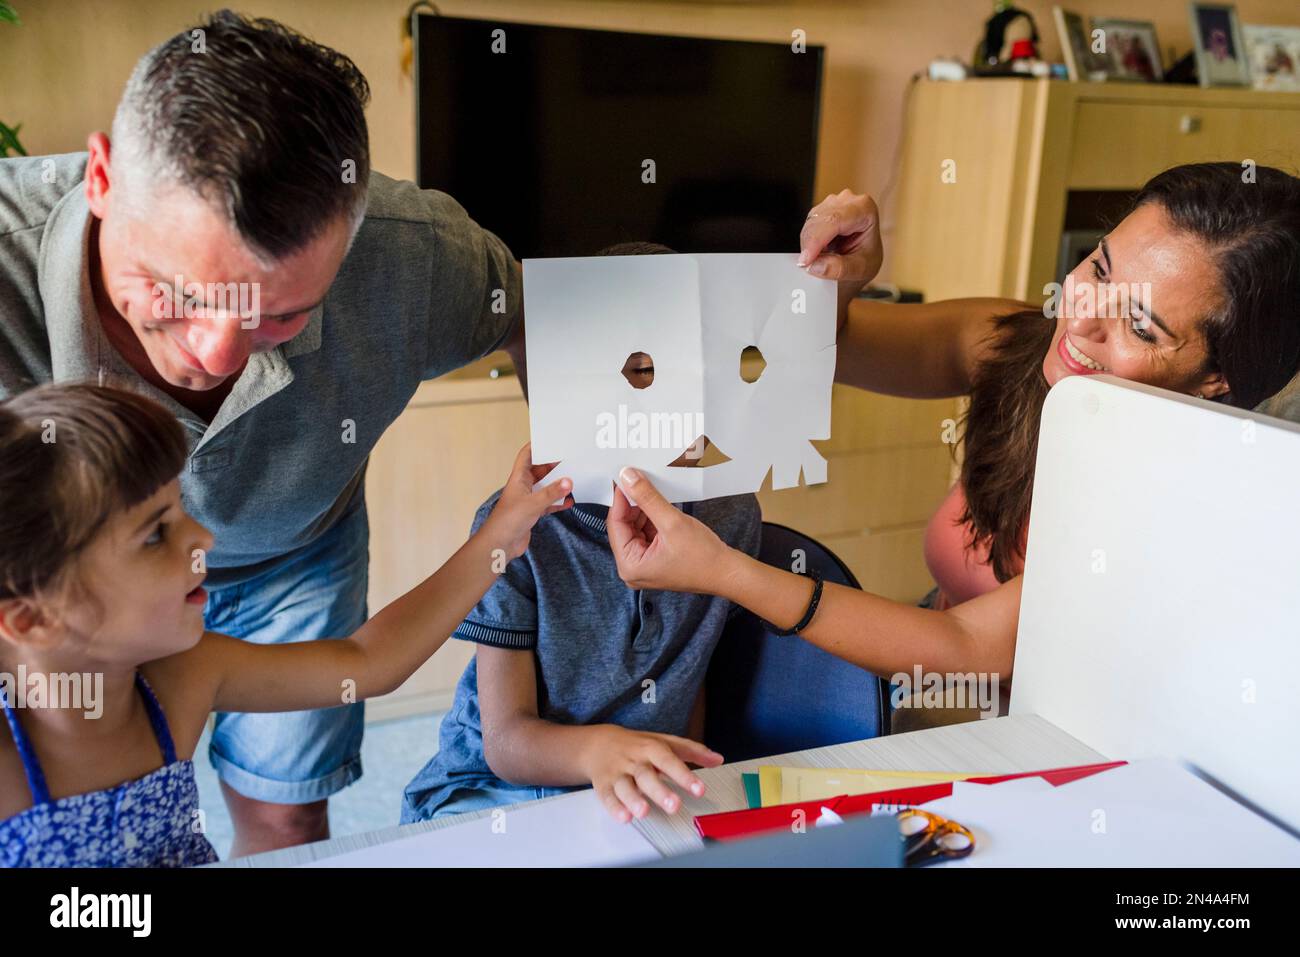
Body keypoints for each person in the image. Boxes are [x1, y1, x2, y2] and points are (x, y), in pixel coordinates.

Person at [0, 11, 529, 854]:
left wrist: (520, 527)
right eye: (172, 293)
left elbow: (370, 658)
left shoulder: (417, 255)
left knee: (288, 816)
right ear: (101, 178)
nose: (212, 355)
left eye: (280, 315)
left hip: (299, 552)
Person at [603, 162, 1300, 712]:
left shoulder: (1194, 503)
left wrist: (723, 569)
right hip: (932, 709)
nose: (1082, 319)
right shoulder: (1020, 348)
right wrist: (842, 279)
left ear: (1217, 381)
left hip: (1057, 751)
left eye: (1141, 326)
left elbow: (969, 644)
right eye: (1099, 268)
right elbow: (830, 343)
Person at [0, 383, 570, 867]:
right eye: (154, 533)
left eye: (181, 513)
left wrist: (500, 535)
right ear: (31, 617)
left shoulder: (184, 674)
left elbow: (369, 663)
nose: (203, 539)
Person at [401, 243, 762, 825]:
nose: (665, 391)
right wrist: (598, 751)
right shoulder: (521, 530)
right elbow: (507, 743)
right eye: (639, 370)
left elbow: (691, 670)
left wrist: (686, 772)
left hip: (638, 784)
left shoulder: (732, 514)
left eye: (691, 365)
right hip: (493, 789)